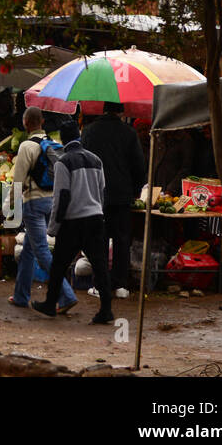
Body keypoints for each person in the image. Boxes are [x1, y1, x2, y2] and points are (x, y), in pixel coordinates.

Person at [33, 137, 113, 324]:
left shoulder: (63, 162)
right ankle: (106, 309)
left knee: (59, 266)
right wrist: (99, 212)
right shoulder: (96, 159)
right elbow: (102, 191)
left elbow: (61, 196)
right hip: (95, 219)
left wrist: (53, 227)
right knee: (100, 266)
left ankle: (50, 304)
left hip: (72, 222)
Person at [9, 107, 77, 313]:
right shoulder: (55, 145)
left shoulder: (26, 146)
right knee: (29, 250)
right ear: (43, 121)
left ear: (26, 123)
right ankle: (21, 296)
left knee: (41, 251)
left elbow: (18, 180)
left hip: (34, 203)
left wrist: (10, 205)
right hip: (52, 202)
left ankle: (66, 295)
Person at [80, 101, 145, 299]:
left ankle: (99, 285)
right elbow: (139, 166)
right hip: (122, 195)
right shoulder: (129, 133)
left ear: (103, 109)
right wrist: (135, 191)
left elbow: (82, 160)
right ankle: (120, 285)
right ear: (121, 112)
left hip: (95, 195)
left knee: (98, 240)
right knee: (122, 240)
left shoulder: (89, 131)